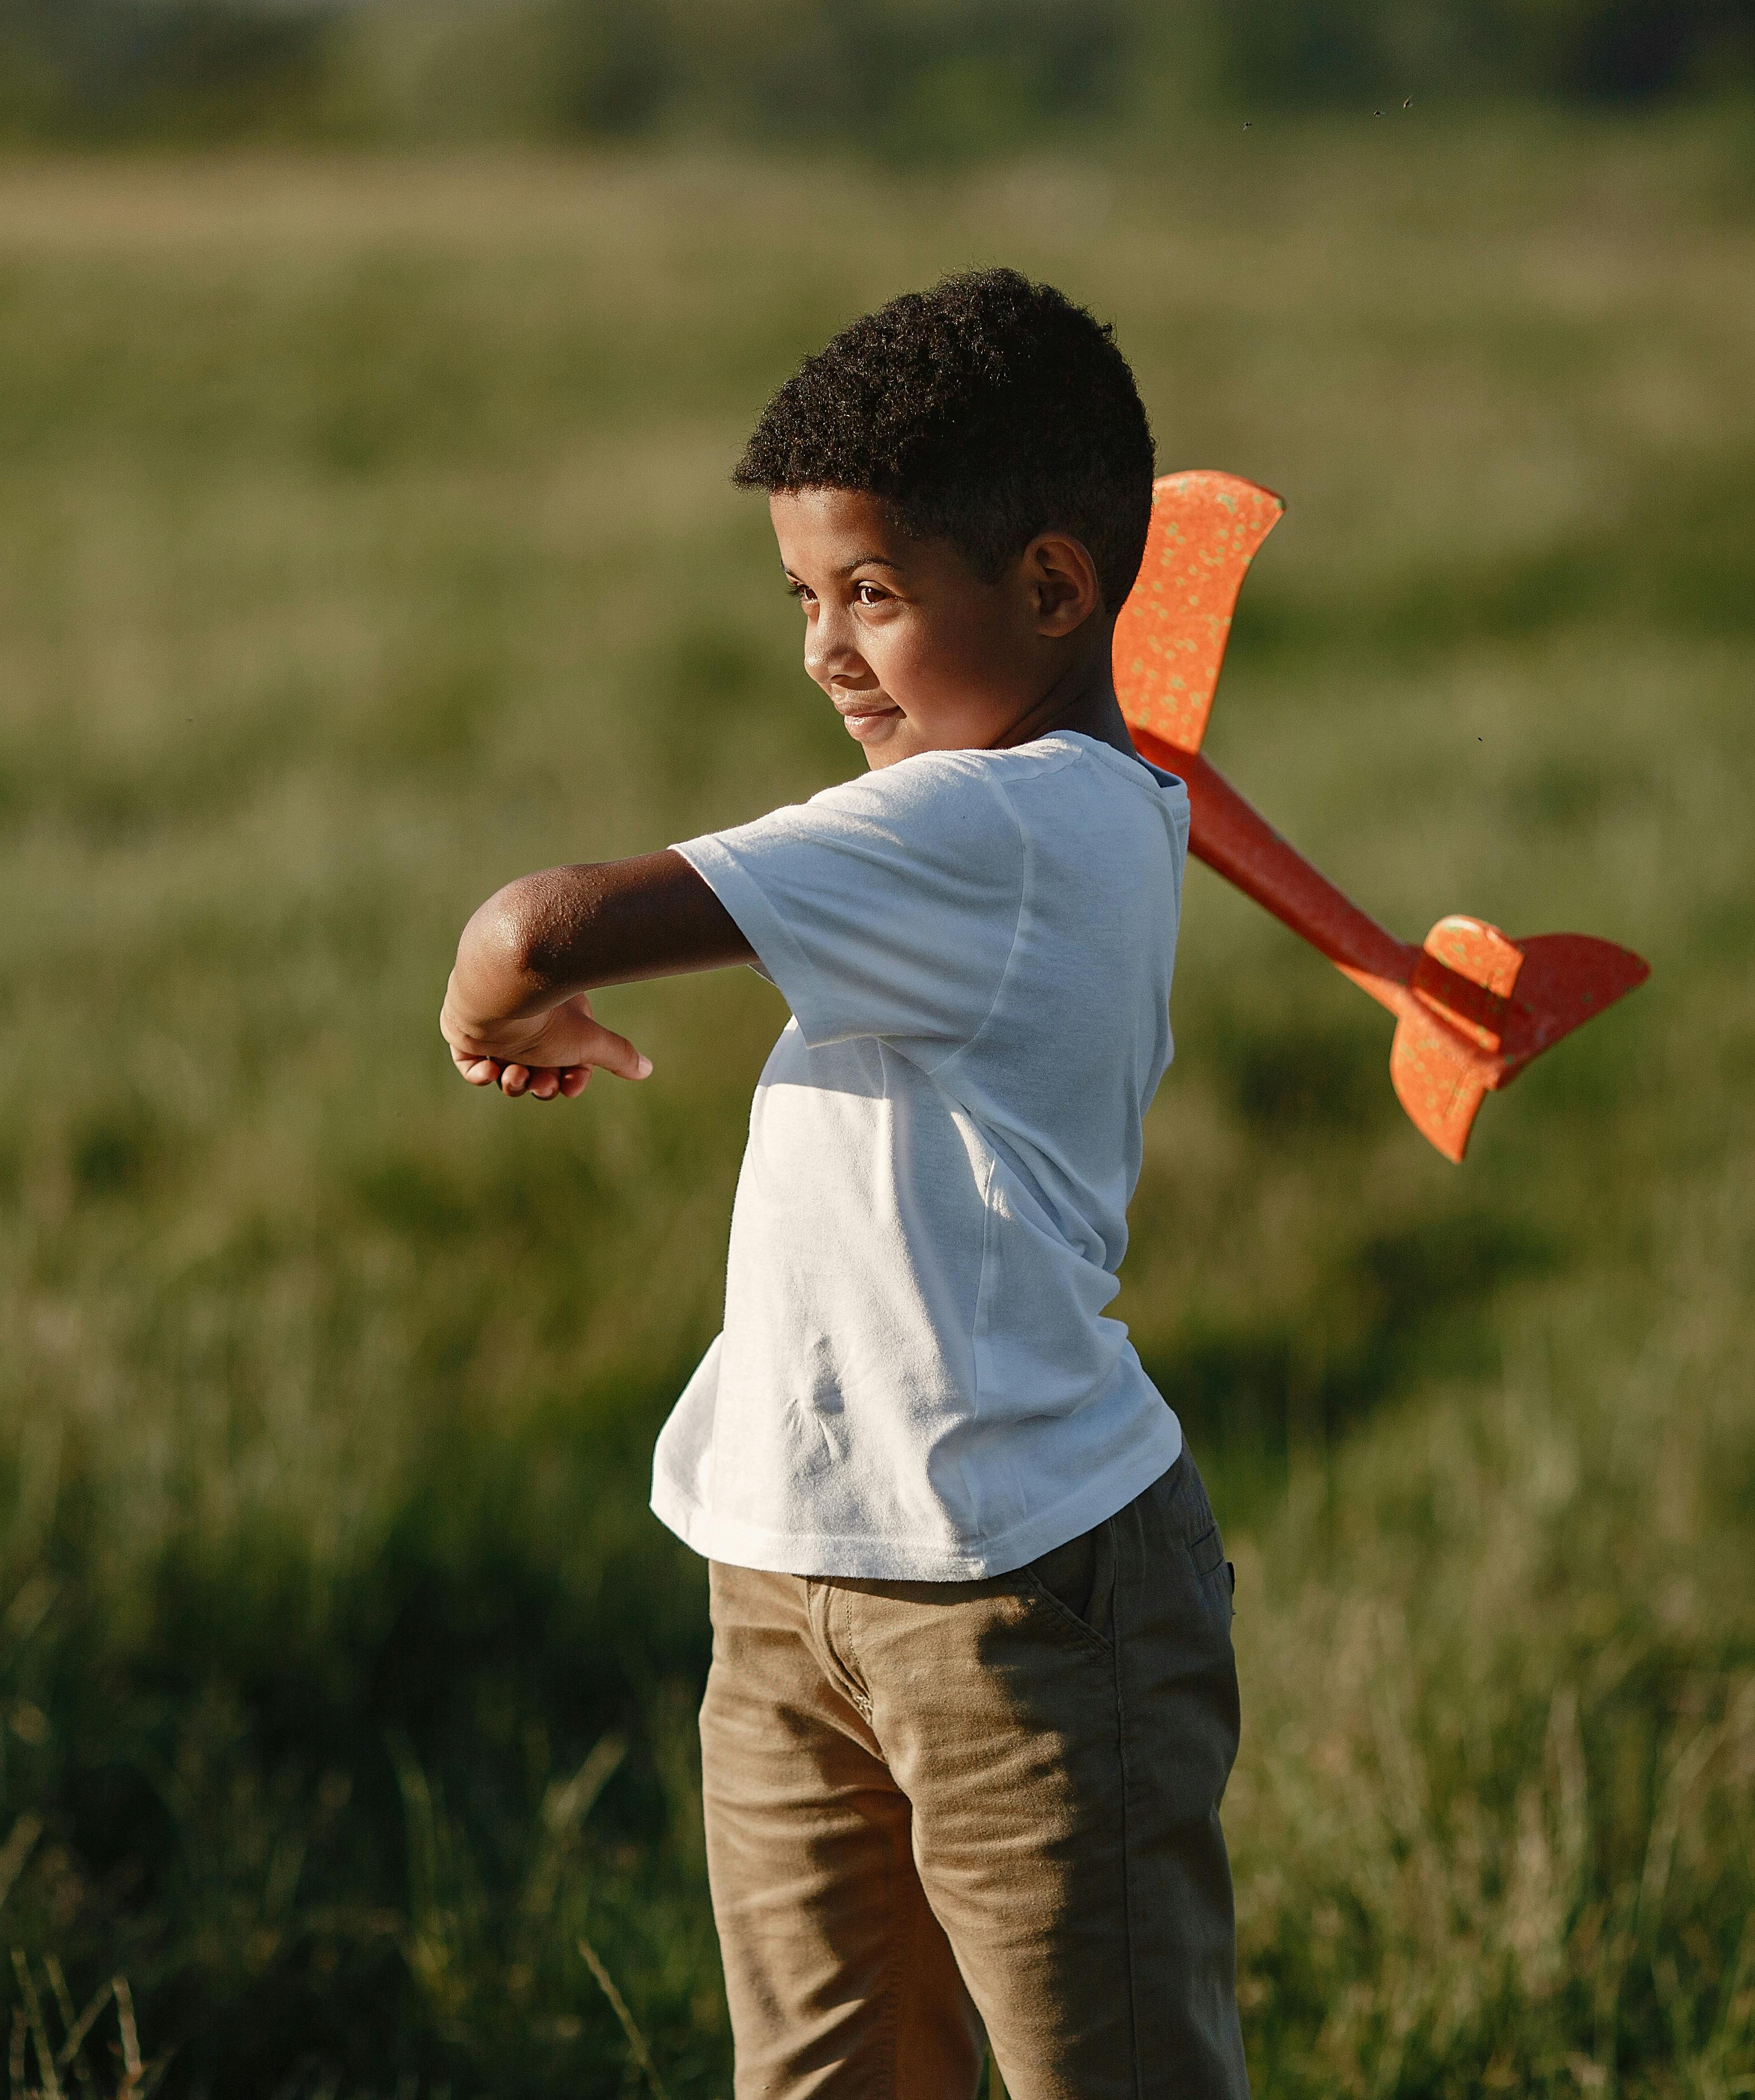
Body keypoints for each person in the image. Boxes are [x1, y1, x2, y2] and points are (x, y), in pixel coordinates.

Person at [437, 268, 1246, 2100]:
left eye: (871, 597)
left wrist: (499, 1003)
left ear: (1056, 589)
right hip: (793, 1560)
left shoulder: (1002, 823)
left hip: (1025, 1607)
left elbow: (531, 926)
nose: (822, 653)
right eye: (802, 598)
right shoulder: (1038, 804)